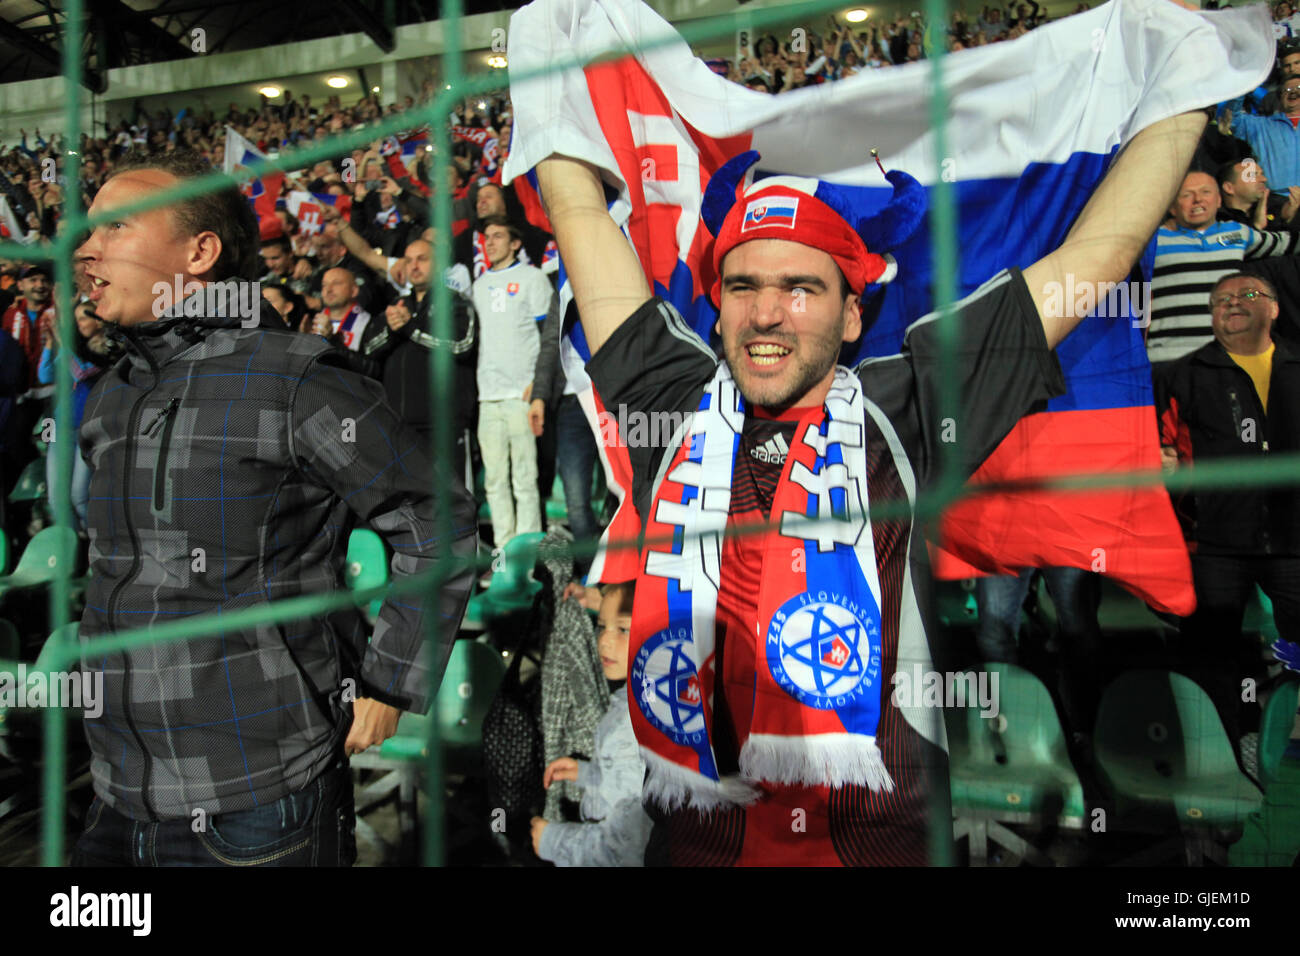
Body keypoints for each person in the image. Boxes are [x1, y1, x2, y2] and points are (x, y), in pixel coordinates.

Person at [536, 108, 1206, 866]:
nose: (766, 313)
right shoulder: (673, 408)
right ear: (718, 308)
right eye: (743, 286)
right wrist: (547, 76)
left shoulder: (907, 407)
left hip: (878, 847)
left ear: (853, 314)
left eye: (801, 287)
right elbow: (579, 214)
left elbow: (1094, 258)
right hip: (692, 848)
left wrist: (1186, 91)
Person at [70, 150, 477, 867]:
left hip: (261, 801)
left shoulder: (294, 378)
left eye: (115, 227)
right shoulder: (111, 394)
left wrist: (390, 682)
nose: (86, 248)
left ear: (199, 254)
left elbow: (432, 519)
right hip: (114, 795)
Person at [1156, 272, 1300, 744]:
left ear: (1274, 309)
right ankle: (1222, 752)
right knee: (1209, 657)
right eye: (1220, 300)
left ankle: (1286, 742)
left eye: (1247, 295)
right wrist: (1165, 463)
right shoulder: (1182, 375)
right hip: (1214, 542)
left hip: (1294, 540)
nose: (1232, 304)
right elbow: (1160, 447)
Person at [531, 580, 652, 866]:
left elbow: (624, 850)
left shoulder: (634, 726)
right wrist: (590, 774)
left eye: (622, 629)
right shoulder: (634, 699)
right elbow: (626, 786)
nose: (604, 641)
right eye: (601, 627)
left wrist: (552, 840)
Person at [1148, 170, 1300, 364]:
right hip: (1169, 358)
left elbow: (1287, 243)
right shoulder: (1150, 242)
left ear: (1219, 200)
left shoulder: (1237, 233)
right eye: (1186, 194)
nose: (1198, 199)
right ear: (1171, 206)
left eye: (1206, 192)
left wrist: (1290, 218)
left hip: (1226, 359)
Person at [470, 216, 552, 548]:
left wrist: (539, 383)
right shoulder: (478, 286)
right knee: (494, 482)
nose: (490, 242)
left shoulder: (533, 278)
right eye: (487, 237)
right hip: (488, 396)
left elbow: (548, 335)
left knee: (524, 479)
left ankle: (527, 558)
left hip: (521, 393)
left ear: (515, 243)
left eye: (498, 236)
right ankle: (504, 554)